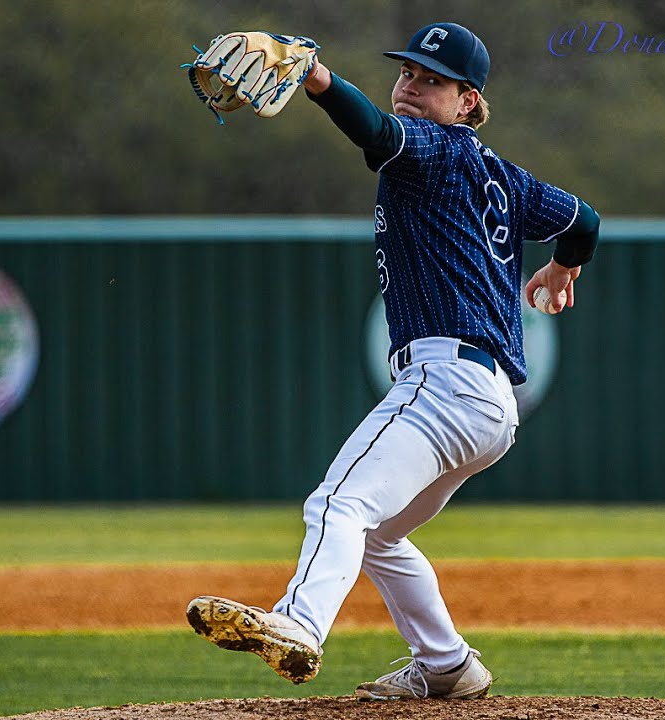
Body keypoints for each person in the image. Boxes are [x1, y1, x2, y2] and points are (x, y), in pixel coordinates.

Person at [186, 21, 601, 702]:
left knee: (335, 504)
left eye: (431, 80)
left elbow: (377, 133)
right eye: (407, 73)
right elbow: (584, 220)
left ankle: (299, 624)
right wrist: (563, 265)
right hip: (490, 405)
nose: (411, 86)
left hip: (445, 381)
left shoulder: (434, 150)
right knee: (376, 535)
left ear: (468, 101)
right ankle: (447, 666)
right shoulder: (510, 177)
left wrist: (316, 78)